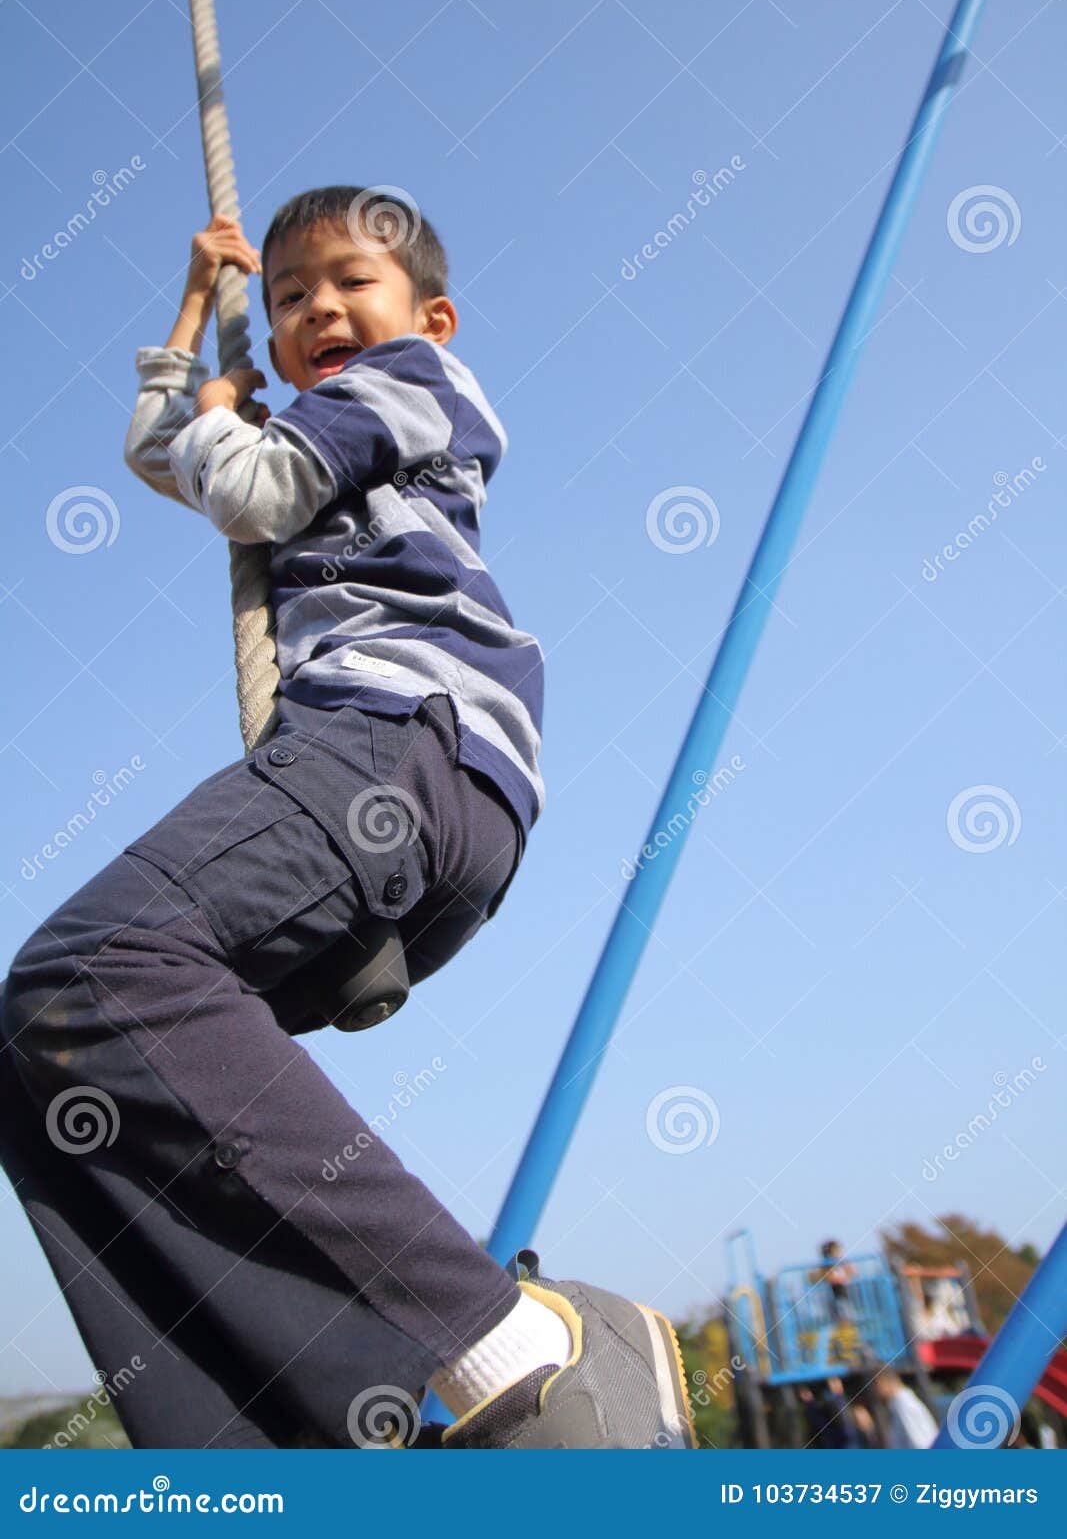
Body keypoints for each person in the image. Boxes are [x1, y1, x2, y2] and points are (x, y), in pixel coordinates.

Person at [0, 189, 695, 1451]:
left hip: (402, 740)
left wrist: (225, 413)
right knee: (54, 1061)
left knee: (91, 974)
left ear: (427, 313)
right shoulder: (314, 407)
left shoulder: (416, 382)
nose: (315, 308)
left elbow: (249, 487)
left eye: (346, 282)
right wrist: (193, 317)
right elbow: (166, 456)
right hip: (400, 792)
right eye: (286, 297)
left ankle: (512, 1343)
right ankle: (307, 1448)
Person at [871, 1368, 939, 1448]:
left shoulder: (904, 1406)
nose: (874, 1392)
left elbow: (921, 1446)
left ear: (881, 1382)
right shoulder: (900, 1405)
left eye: (874, 1386)